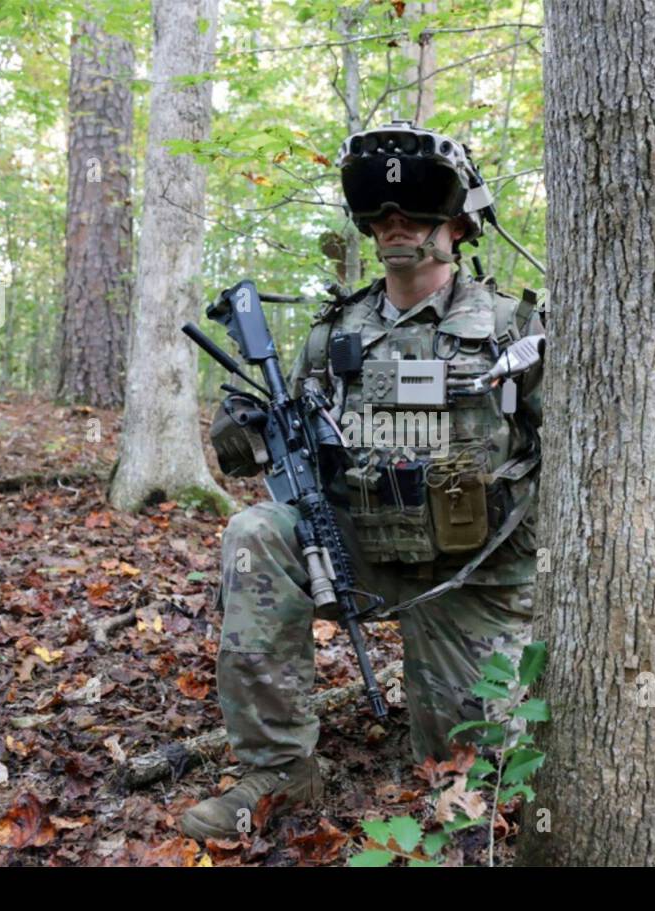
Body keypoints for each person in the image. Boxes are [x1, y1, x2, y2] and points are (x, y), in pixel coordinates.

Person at [180, 121, 545, 841]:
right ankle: (280, 767)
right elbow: (298, 445)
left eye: (414, 208)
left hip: (471, 577)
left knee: (473, 776)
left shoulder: (515, 329)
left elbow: (574, 461)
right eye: (377, 210)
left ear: (461, 220)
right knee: (255, 532)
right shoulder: (334, 333)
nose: (394, 224)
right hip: (364, 548)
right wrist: (252, 430)